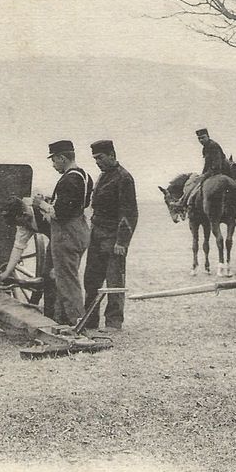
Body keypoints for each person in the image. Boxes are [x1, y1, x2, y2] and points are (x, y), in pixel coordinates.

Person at [34, 140, 93, 326]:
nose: (53, 165)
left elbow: (59, 213)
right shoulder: (85, 176)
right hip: (81, 229)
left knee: (67, 280)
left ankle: (76, 322)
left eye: (54, 160)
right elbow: (78, 205)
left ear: (62, 158)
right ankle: (63, 319)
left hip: (66, 233)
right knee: (67, 276)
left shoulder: (68, 179)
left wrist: (40, 204)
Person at [83, 140, 138, 331]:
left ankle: (114, 322)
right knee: (91, 279)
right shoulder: (103, 176)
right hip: (97, 234)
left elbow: (129, 213)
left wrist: (122, 242)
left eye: (100, 157)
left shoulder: (124, 178)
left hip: (113, 236)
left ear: (112, 155)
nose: (97, 162)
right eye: (95, 158)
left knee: (114, 281)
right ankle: (89, 320)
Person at [179, 127, 227, 208]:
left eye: (203, 137)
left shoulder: (213, 146)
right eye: (199, 138)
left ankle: (187, 204)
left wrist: (205, 175)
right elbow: (207, 164)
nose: (201, 140)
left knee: (196, 185)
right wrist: (203, 174)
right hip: (212, 171)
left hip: (221, 171)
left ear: (208, 136)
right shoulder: (205, 147)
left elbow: (217, 164)